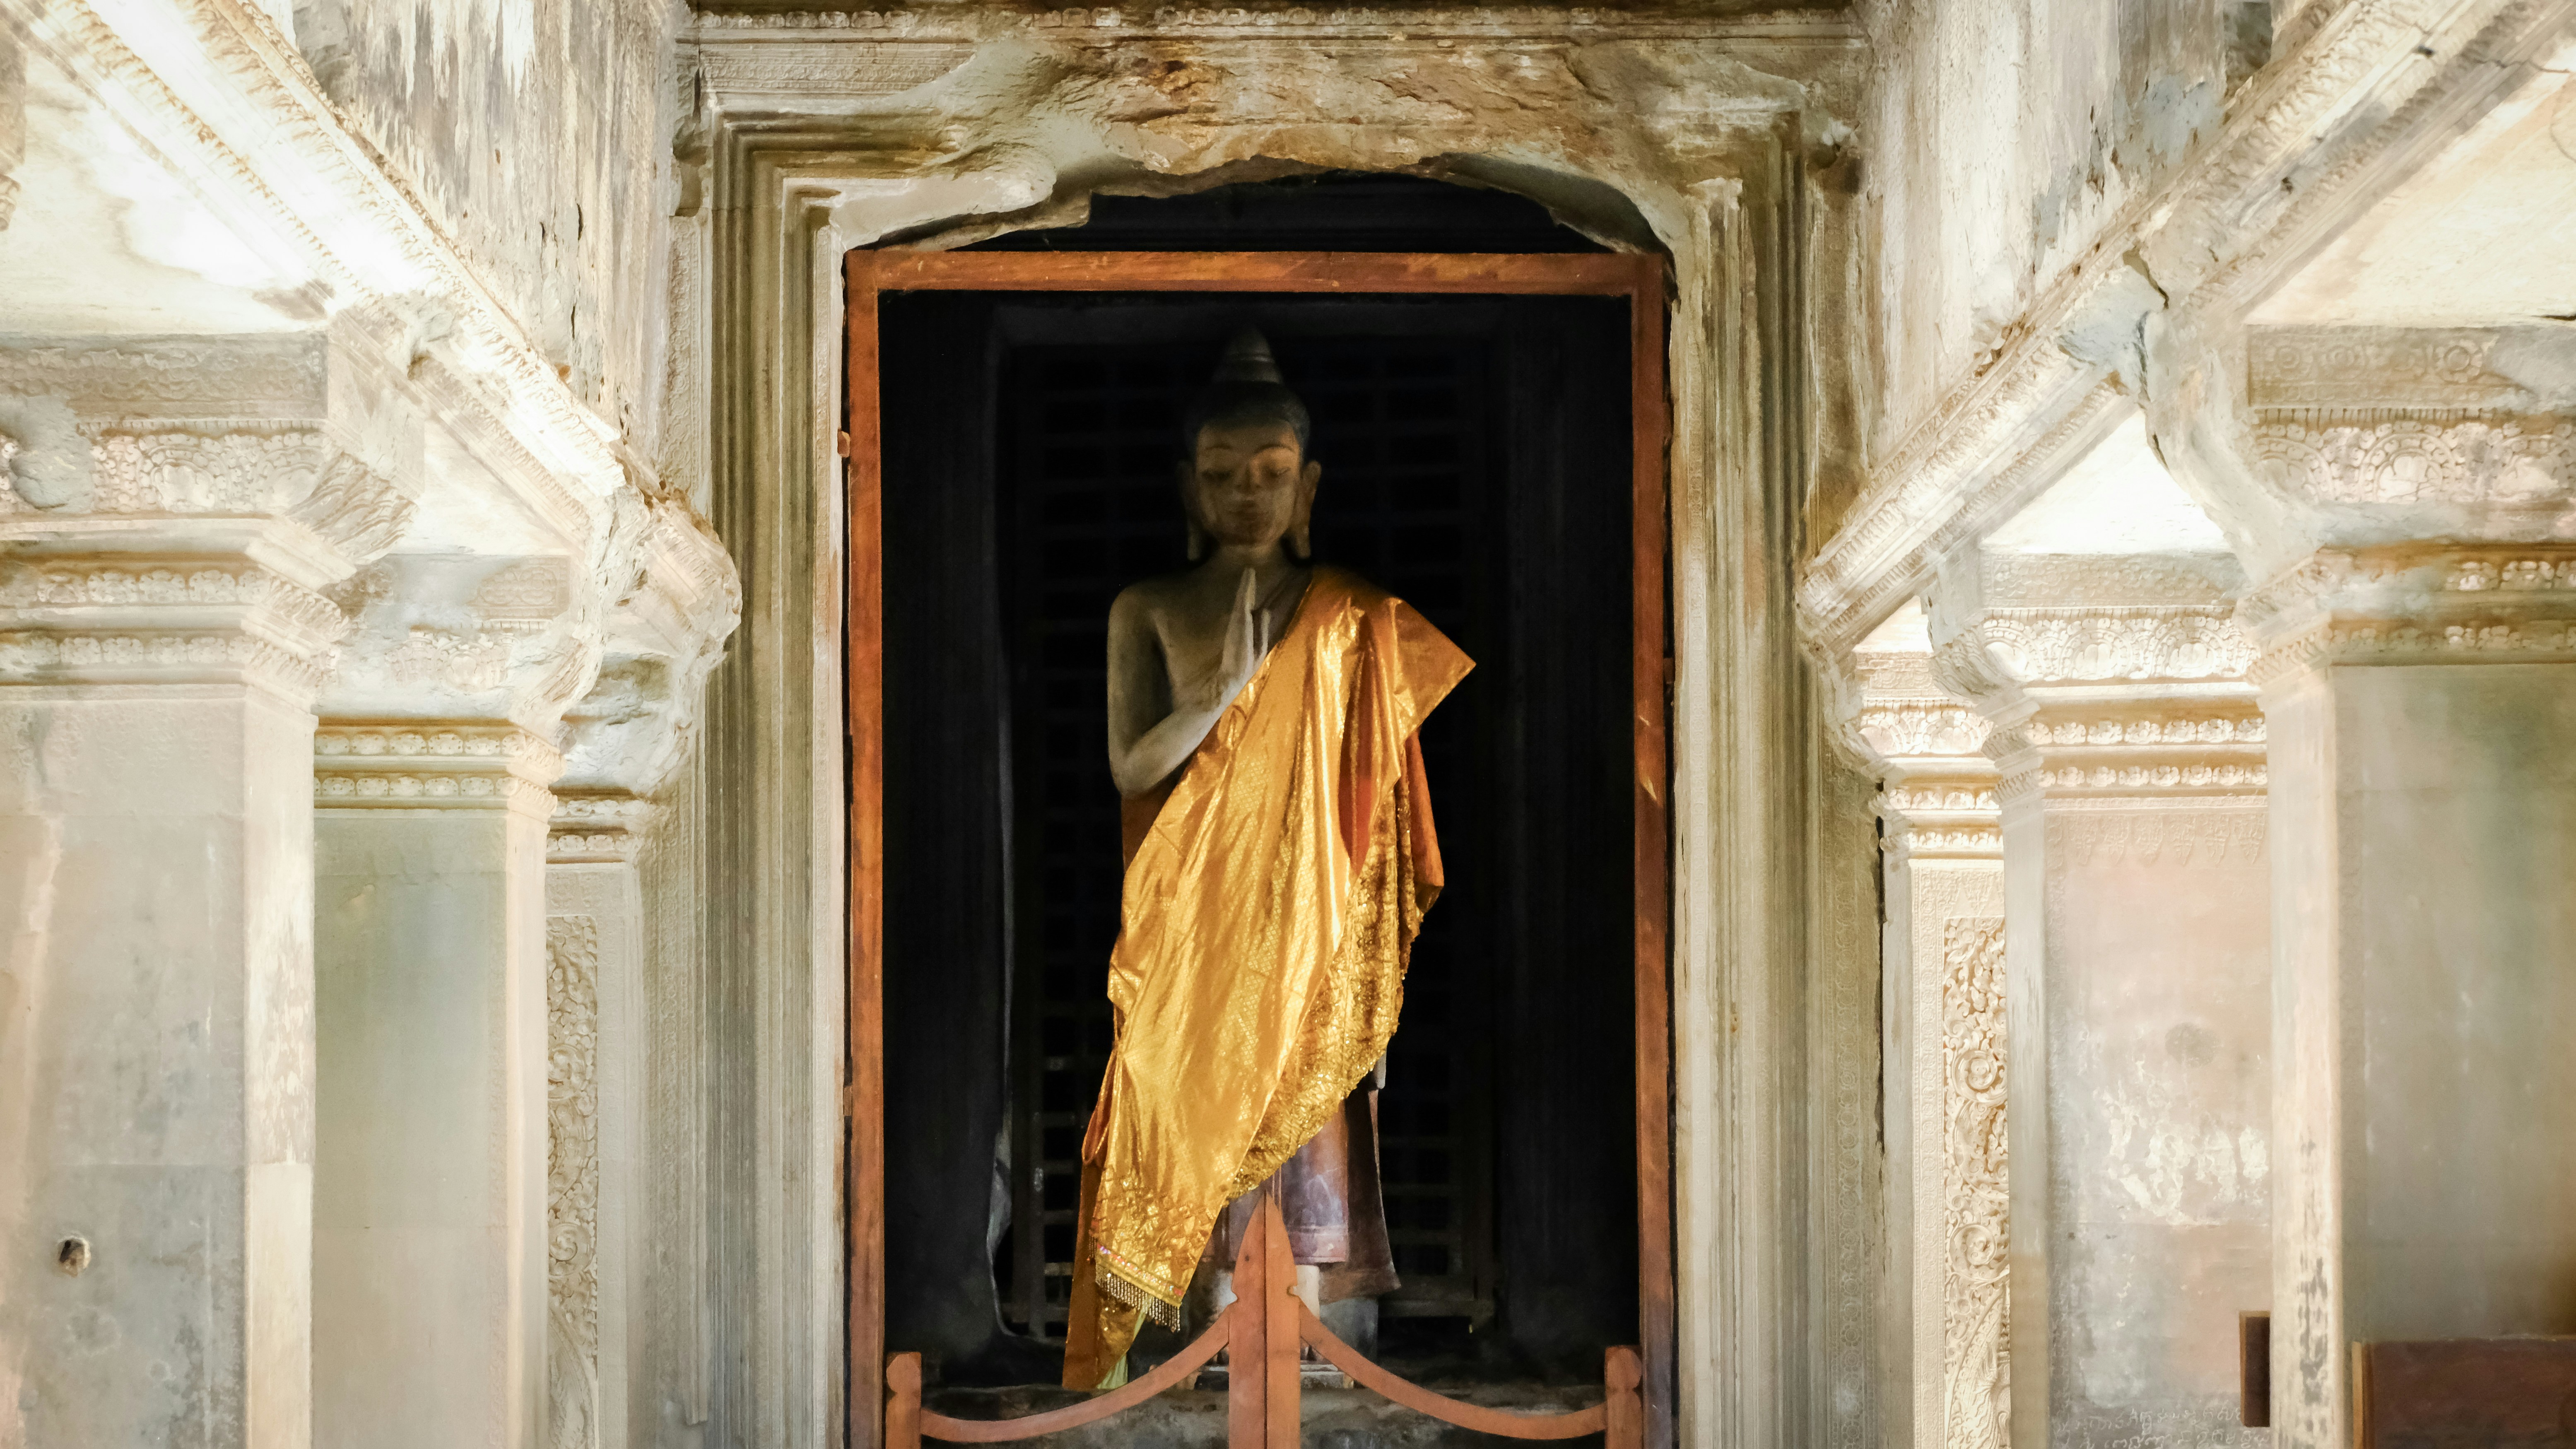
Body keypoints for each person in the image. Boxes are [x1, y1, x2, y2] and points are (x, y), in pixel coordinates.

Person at [1062, 330, 1471, 1389]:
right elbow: (1127, 764)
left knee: (1311, 1104)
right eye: (1223, 476)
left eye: (1271, 475)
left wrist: (1360, 952)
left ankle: (1312, 1325)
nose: (1247, 495)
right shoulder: (1147, 609)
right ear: (1187, 489)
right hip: (1188, 924)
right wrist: (1223, 688)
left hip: (1307, 919)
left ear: (1308, 485)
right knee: (1166, 1083)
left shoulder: (1352, 617)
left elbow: (1373, 807)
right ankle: (1200, 1321)